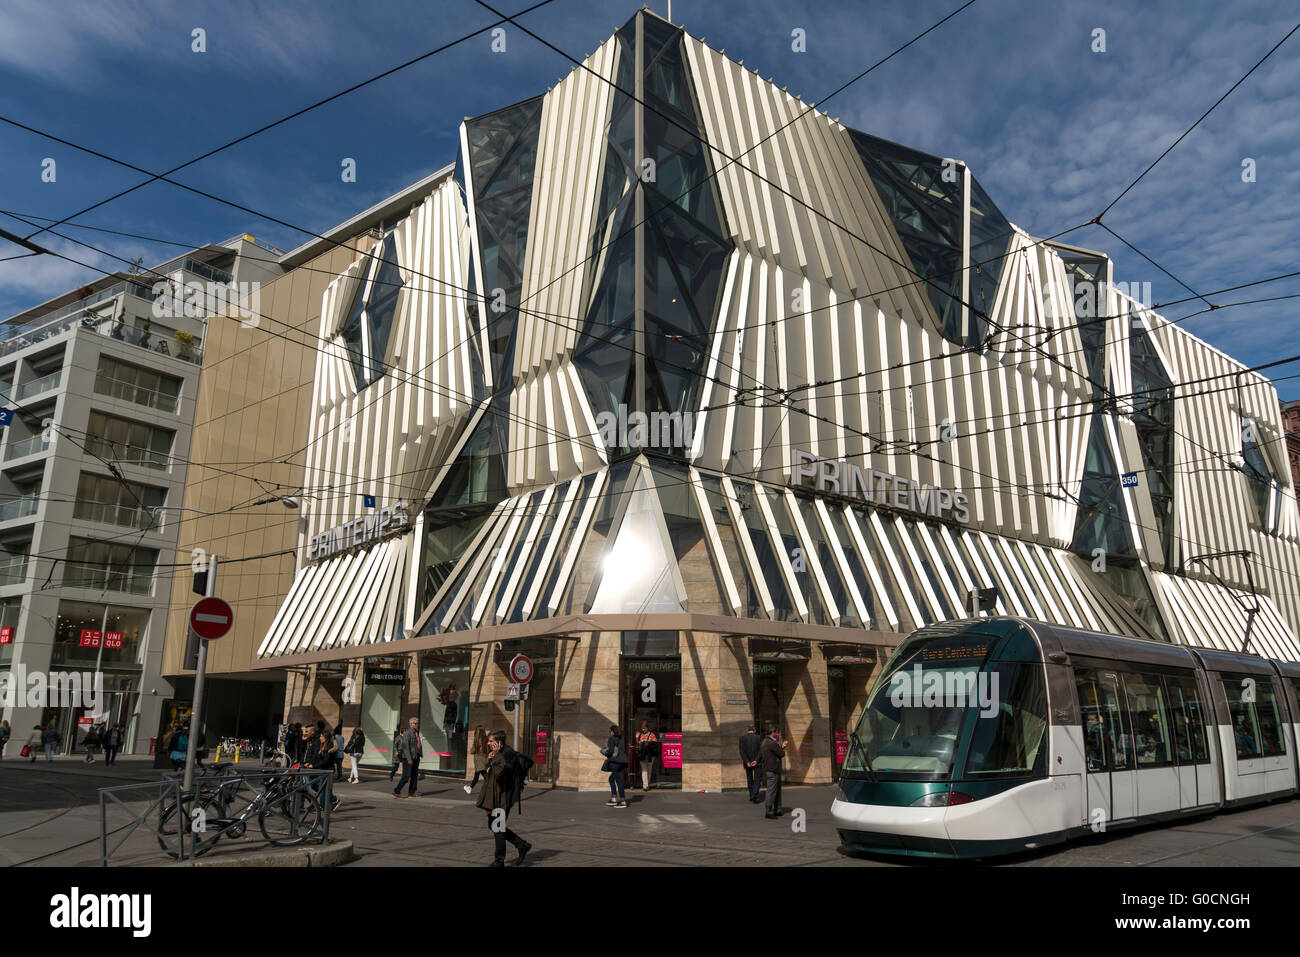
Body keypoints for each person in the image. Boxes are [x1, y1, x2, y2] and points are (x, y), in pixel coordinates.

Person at [476, 729, 531, 866]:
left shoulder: (508, 754)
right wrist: (491, 757)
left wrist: (495, 756)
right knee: (493, 825)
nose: (488, 743)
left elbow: (500, 773)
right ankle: (521, 844)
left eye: (491, 741)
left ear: (498, 742)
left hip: (504, 797)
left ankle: (499, 861)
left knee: (498, 827)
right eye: (488, 741)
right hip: (496, 796)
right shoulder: (499, 753)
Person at [760, 726, 787, 819]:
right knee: (771, 791)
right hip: (772, 770)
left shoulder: (765, 741)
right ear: (773, 732)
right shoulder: (772, 743)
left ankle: (777, 809)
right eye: (776, 732)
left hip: (771, 769)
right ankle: (769, 811)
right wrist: (783, 747)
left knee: (776, 790)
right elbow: (781, 754)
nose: (777, 734)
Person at [393, 717, 422, 798]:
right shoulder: (407, 733)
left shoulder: (416, 733)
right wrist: (409, 758)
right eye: (416, 723)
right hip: (408, 758)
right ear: (411, 724)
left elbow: (417, 744)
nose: (417, 725)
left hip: (416, 757)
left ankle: (412, 792)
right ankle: (396, 791)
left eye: (418, 723)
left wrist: (419, 754)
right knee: (406, 776)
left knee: (414, 776)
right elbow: (405, 747)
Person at [601, 724, 628, 808]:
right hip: (623, 762)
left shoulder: (611, 739)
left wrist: (604, 752)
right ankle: (613, 799)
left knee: (618, 780)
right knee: (611, 779)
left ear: (612, 732)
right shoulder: (621, 740)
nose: (610, 733)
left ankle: (623, 801)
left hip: (615, 762)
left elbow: (611, 751)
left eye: (610, 731)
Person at [739, 725, 764, 803]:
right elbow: (761, 750)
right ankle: (754, 795)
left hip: (748, 763)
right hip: (758, 762)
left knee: (749, 779)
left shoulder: (742, 738)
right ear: (754, 730)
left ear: (747, 730)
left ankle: (751, 795)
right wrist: (756, 760)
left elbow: (741, 751)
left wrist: (747, 761)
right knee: (757, 779)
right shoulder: (759, 737)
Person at [635, 721, 658, 792]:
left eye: (644, 728)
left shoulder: (652, 735)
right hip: (642, 755)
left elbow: (655, 744)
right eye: (642, 728)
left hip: (650, 755)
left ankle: (647, 784)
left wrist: (649, 743)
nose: (643, 730)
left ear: (647, 727)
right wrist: (636, 738)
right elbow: (637, 746)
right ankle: (645, 786)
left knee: (649, 769)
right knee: (644, 770)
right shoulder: (640, 735)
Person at [465, 726, 489, 794]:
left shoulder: (477, 741)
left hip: (479, 761)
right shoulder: (486, 740)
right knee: (481, 775)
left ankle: (492, 786)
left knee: (482, 776)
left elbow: (472, 751)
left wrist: (472, 747)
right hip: (485, 760)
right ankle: (470, 788)